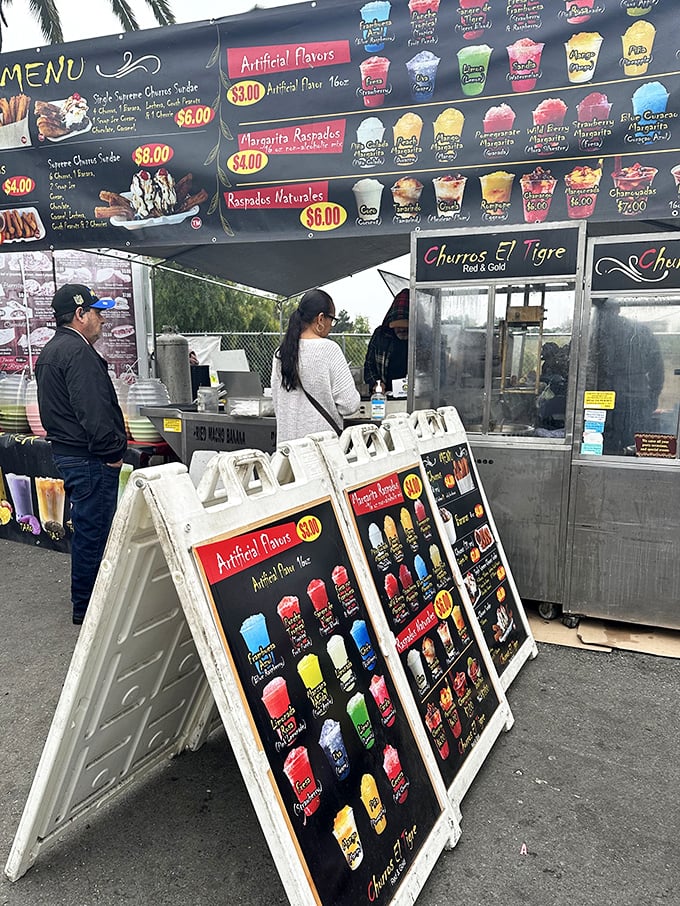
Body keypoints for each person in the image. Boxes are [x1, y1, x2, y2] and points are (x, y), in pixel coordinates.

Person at [36, 284, 127, 625]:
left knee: (90, 528)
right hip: (89, 457)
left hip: (72, 454)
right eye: (97, 312)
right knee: (95, 531)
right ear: (79, 315)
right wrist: (112, 454)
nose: (102, 319)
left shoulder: (52, 351)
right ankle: (89, 609)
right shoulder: (76, 352)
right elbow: (93, 411)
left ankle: (88, 603)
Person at [271, 288, 360, 444]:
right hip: (321, 450)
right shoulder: (329, 350)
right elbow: (349, 404)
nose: (331, 325)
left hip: (287, 453)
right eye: (331, 319)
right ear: (320, 319)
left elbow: (277, 402)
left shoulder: (280, 353)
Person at [588, 299, 664, 454]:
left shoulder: (638, 332)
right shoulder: (596, 333)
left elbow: (657, 369)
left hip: (634, 402)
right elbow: (589, 367)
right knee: (600, 445)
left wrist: (652, 398)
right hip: (606, 402)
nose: (603, 315)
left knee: (632, 448)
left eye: (606, 311)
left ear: (618, 309)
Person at [363, 288, 409, 393]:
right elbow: (369, 365)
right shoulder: (381, 335)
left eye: (406, 327)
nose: (401, 329)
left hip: (415, 396)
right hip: (385, 395)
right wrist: (376, 384)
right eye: (397, 326)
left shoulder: (423, 338)